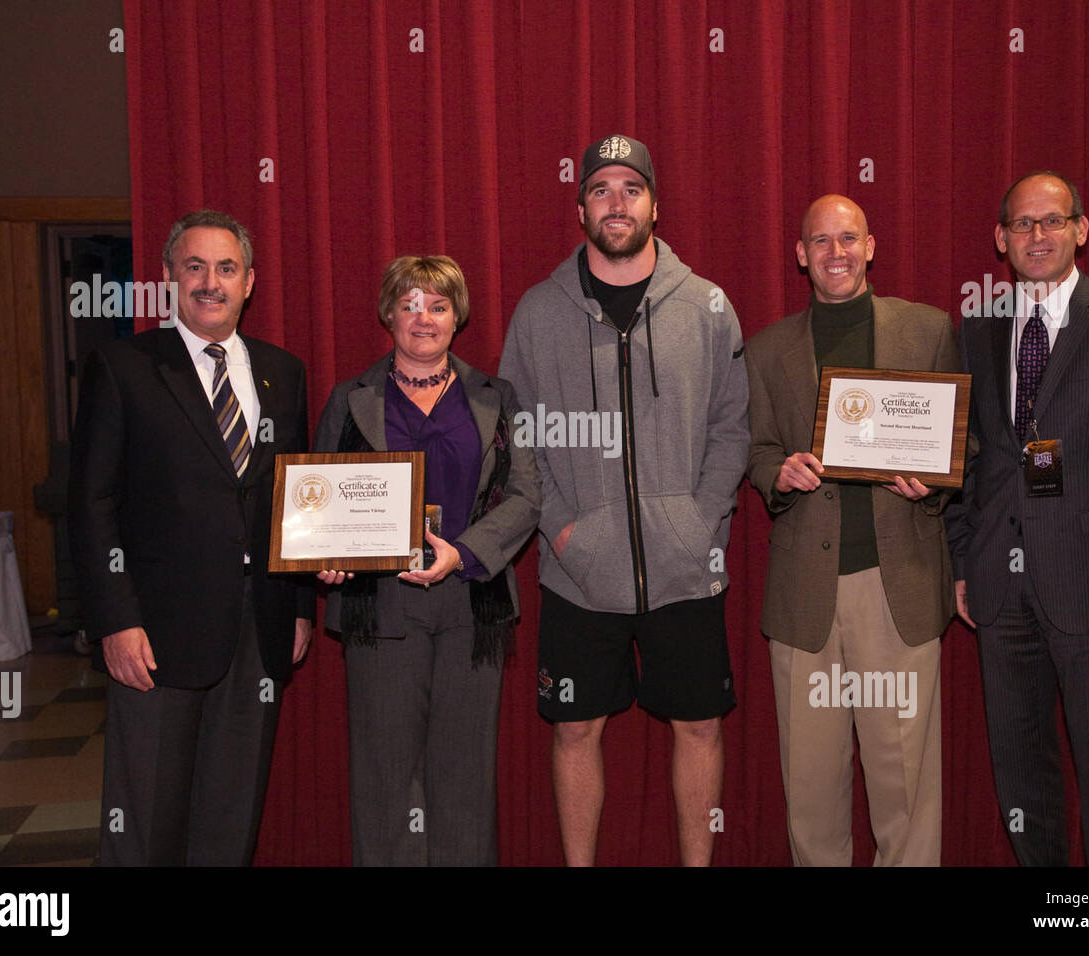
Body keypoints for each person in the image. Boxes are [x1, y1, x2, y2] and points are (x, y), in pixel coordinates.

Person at [499, 134, 749, 866]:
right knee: (576, 727)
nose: (617, 202)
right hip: (577, 568)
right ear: (580, 207)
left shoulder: (706, 305)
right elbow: (517, 436)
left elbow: (732, 427)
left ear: (655, 205)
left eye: (631, 188)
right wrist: (563, 531)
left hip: (684, 565)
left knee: (699, 723)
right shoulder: (539, 311)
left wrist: (700, 521)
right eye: (602, 188)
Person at [946, 171, 1089, 865]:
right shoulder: (980, 330)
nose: (1037, 236)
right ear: (1000, 239)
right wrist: (965, 562)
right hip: (1000, 590)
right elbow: (975, 458)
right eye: (1022, 224)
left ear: (1082, 229)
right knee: (1021, 775)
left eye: (1052, 221)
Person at [69, 209, 312, 865]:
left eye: (226, 268)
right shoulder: (123, 367)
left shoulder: (282, 374)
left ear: (250, 281)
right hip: (154, 631)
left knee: (230, 811)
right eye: (195, 266)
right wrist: (114, 620)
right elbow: (90, 504)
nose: (211, 282)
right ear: (170, 276)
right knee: (145, 815)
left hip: (257, 625)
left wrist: (296, 607)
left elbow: (295, 502)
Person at [745, 195, 956, 866]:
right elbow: (754, 451)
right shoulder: (766, 348)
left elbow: (965, 442)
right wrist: (778, 474)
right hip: (807, 599)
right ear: (800, 255)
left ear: (871, 247)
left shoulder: (927, 331)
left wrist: (938, 479)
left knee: (907, 797)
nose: (836, 251)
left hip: (899, 591)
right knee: (811, 796)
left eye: (849, 238)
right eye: (820, 241)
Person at [312, 255, 539, 866]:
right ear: (388, 314)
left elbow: (526, 497)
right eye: (409, 304)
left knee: (465, 775)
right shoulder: (350, 398)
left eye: (437, 306)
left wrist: (463, 553)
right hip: (380, 608)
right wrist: (328, 558)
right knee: (385, 779)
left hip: (471, 599)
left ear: (457, 317)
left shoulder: (496, 396)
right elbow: (317, 502)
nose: (423, 318)